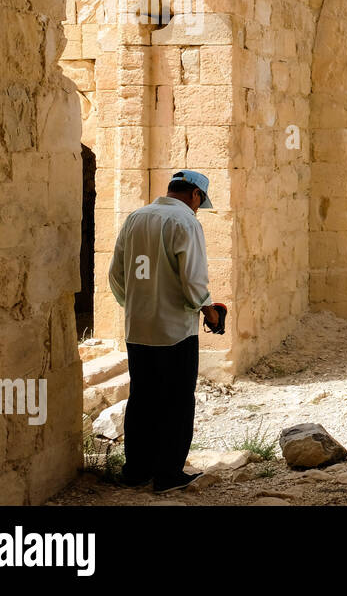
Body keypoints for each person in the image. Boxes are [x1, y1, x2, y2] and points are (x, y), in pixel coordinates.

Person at [108, 170, 220, 493]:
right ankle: (168, 474)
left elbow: (116, 274)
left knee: (141, 399)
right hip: (176, 333)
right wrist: (211, 314)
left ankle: (136, 471)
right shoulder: (186, 223)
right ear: (196, 196)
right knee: (178, 402)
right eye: (200, 203)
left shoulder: (134, 219)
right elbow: (193, 281)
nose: (198, 209)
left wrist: (138, 305)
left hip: (139, 330)